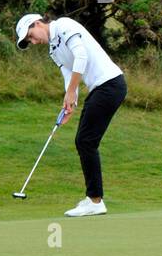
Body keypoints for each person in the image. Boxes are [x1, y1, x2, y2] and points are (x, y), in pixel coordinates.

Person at [15, 13, 127, 217]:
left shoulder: (64, 25)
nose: (33, 41)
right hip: (101, 89)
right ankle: (94, 199)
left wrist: (72, 91)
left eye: (31, 36)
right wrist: (70, 103)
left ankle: (94, 201)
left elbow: (81, 56)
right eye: (29, 41)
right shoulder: (53, 51)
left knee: (85, 141)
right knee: (85, 141)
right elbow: (69, 73)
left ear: (38, 23)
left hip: (111, 84)